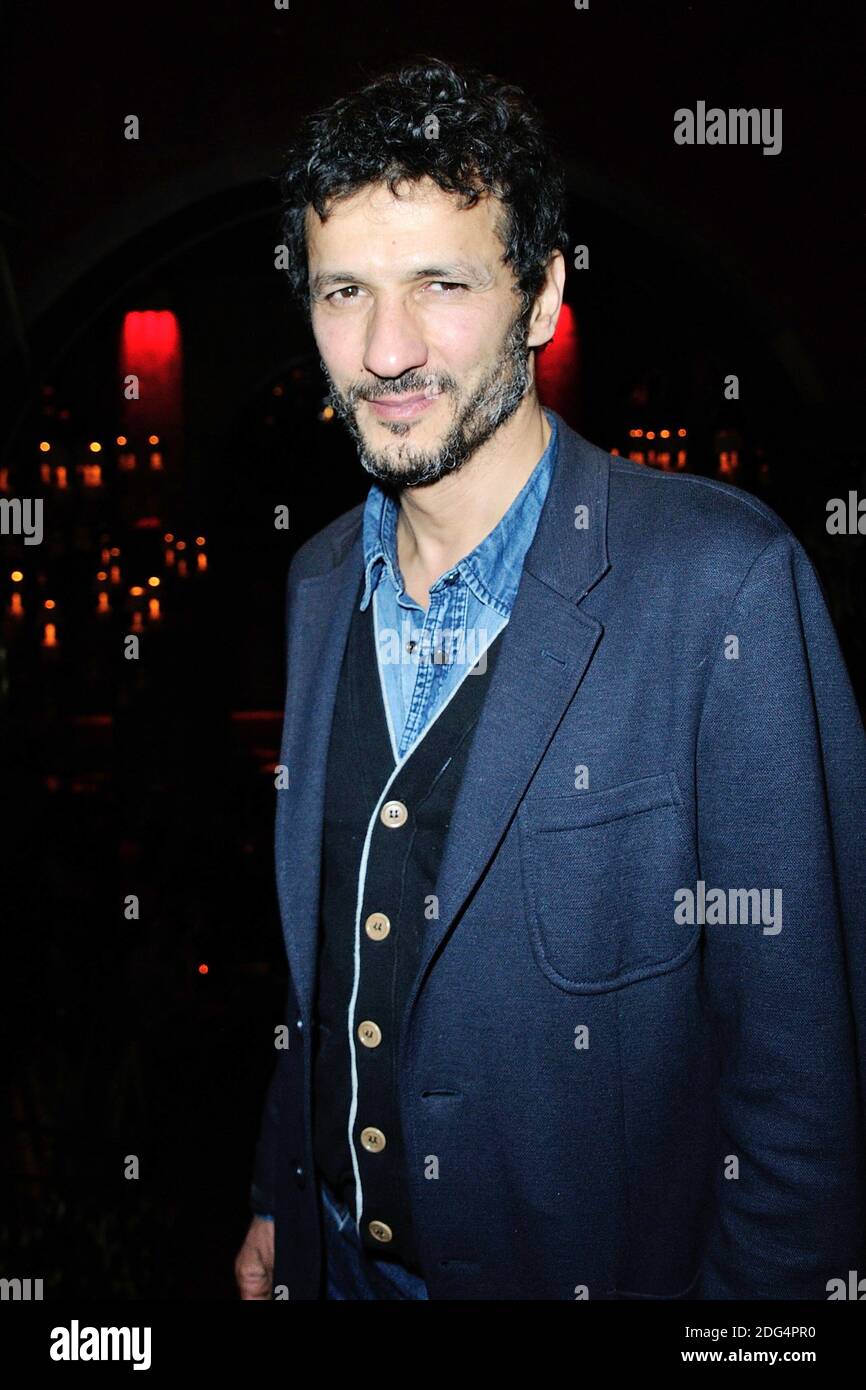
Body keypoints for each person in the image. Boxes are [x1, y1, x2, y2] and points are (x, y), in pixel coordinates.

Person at [235, 57, 866, 1301]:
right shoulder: (316, 585)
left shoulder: (722, 586)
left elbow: (802, 1104)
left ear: (539, 295)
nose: (384, 349)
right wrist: (280, 1197)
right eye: (344, 290)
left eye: (441, 285)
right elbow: (332, 963)